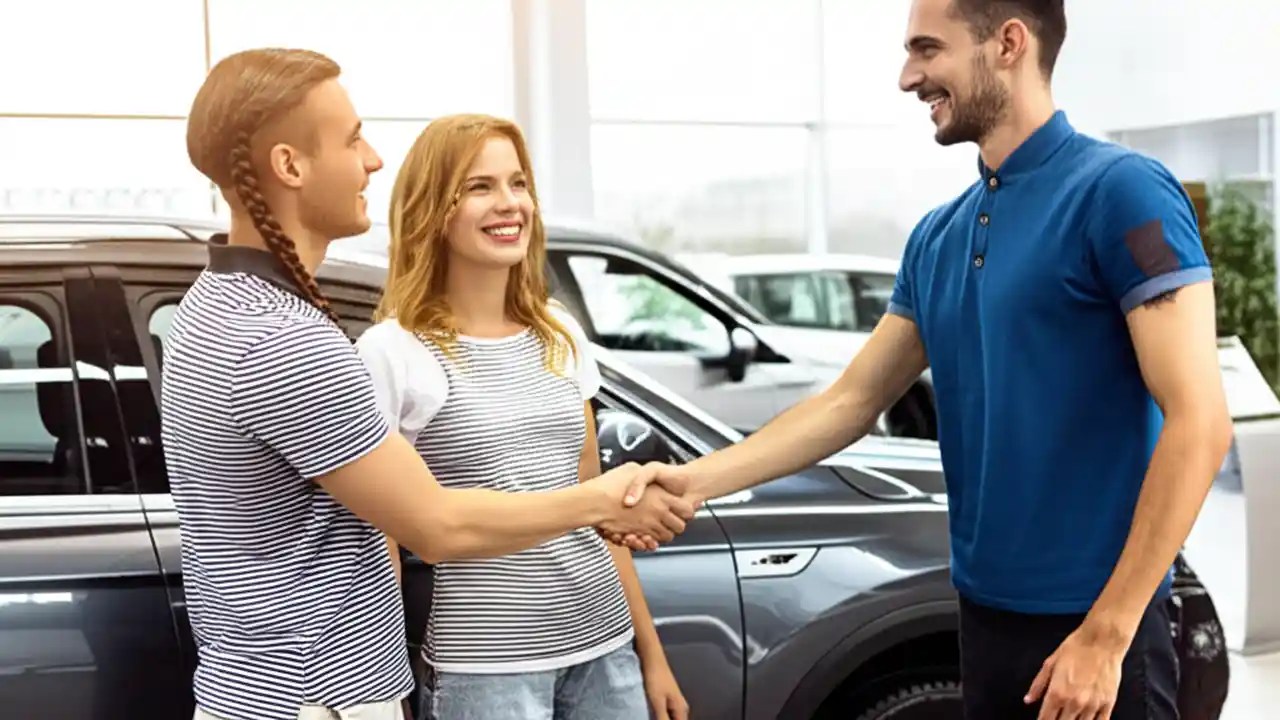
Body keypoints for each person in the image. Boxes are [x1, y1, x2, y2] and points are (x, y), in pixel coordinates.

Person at [619, 1, 1234, 718]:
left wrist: (1108, 634)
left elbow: (1200, 421)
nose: (909, 77)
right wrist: (692, 482)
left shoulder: (1119, 191)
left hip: (1098, 631)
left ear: (1008, 43)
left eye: (927, 50)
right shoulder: (936, 236)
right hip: (983, 618)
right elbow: (849, 403)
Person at [167, 49, 695, 720]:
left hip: (267, 691)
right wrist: (600, 503)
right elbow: (435, 525)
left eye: (516, 183)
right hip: (316, 697)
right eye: (354, 138)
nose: (373, 160)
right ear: (289, 165)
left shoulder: (213, 306)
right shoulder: (288, 340)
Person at [354, 114, 689, 720]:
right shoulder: (393, 351)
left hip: (603, 647)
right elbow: (381, 540)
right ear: (434, 209)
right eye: (479, 187)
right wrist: (385, 691)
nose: (509, 204)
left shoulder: (559, 331)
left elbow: (597, 504)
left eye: (517, 183)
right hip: (485, 669)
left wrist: (650, 654)